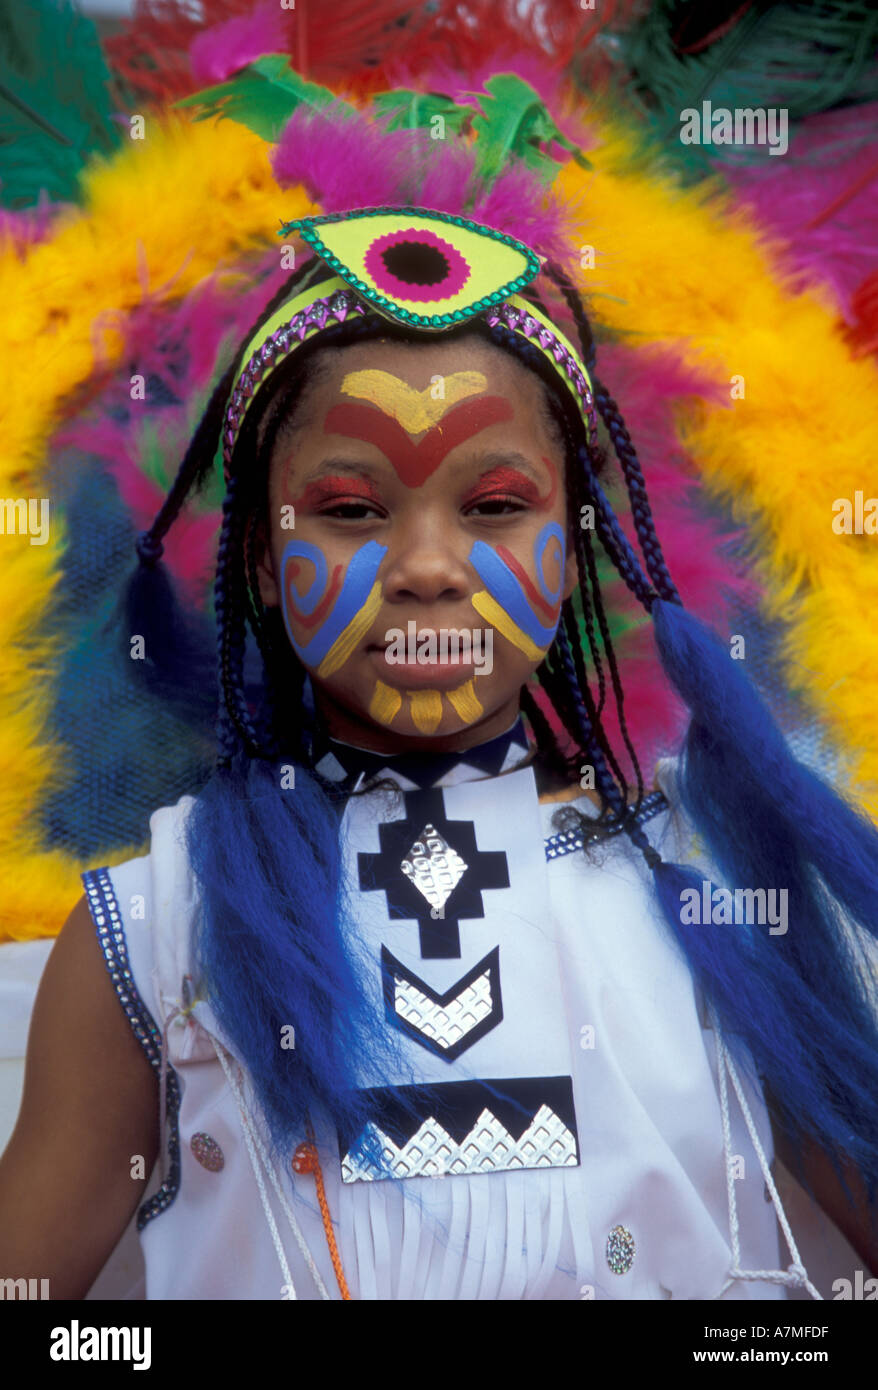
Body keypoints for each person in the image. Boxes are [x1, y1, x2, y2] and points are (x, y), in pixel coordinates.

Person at [1, 205, 876, 1300]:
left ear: (568, 551)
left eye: (496, 505)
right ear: (264, 563)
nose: (424, 564)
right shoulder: (157, 925)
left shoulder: (710, 882)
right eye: (352, 509)